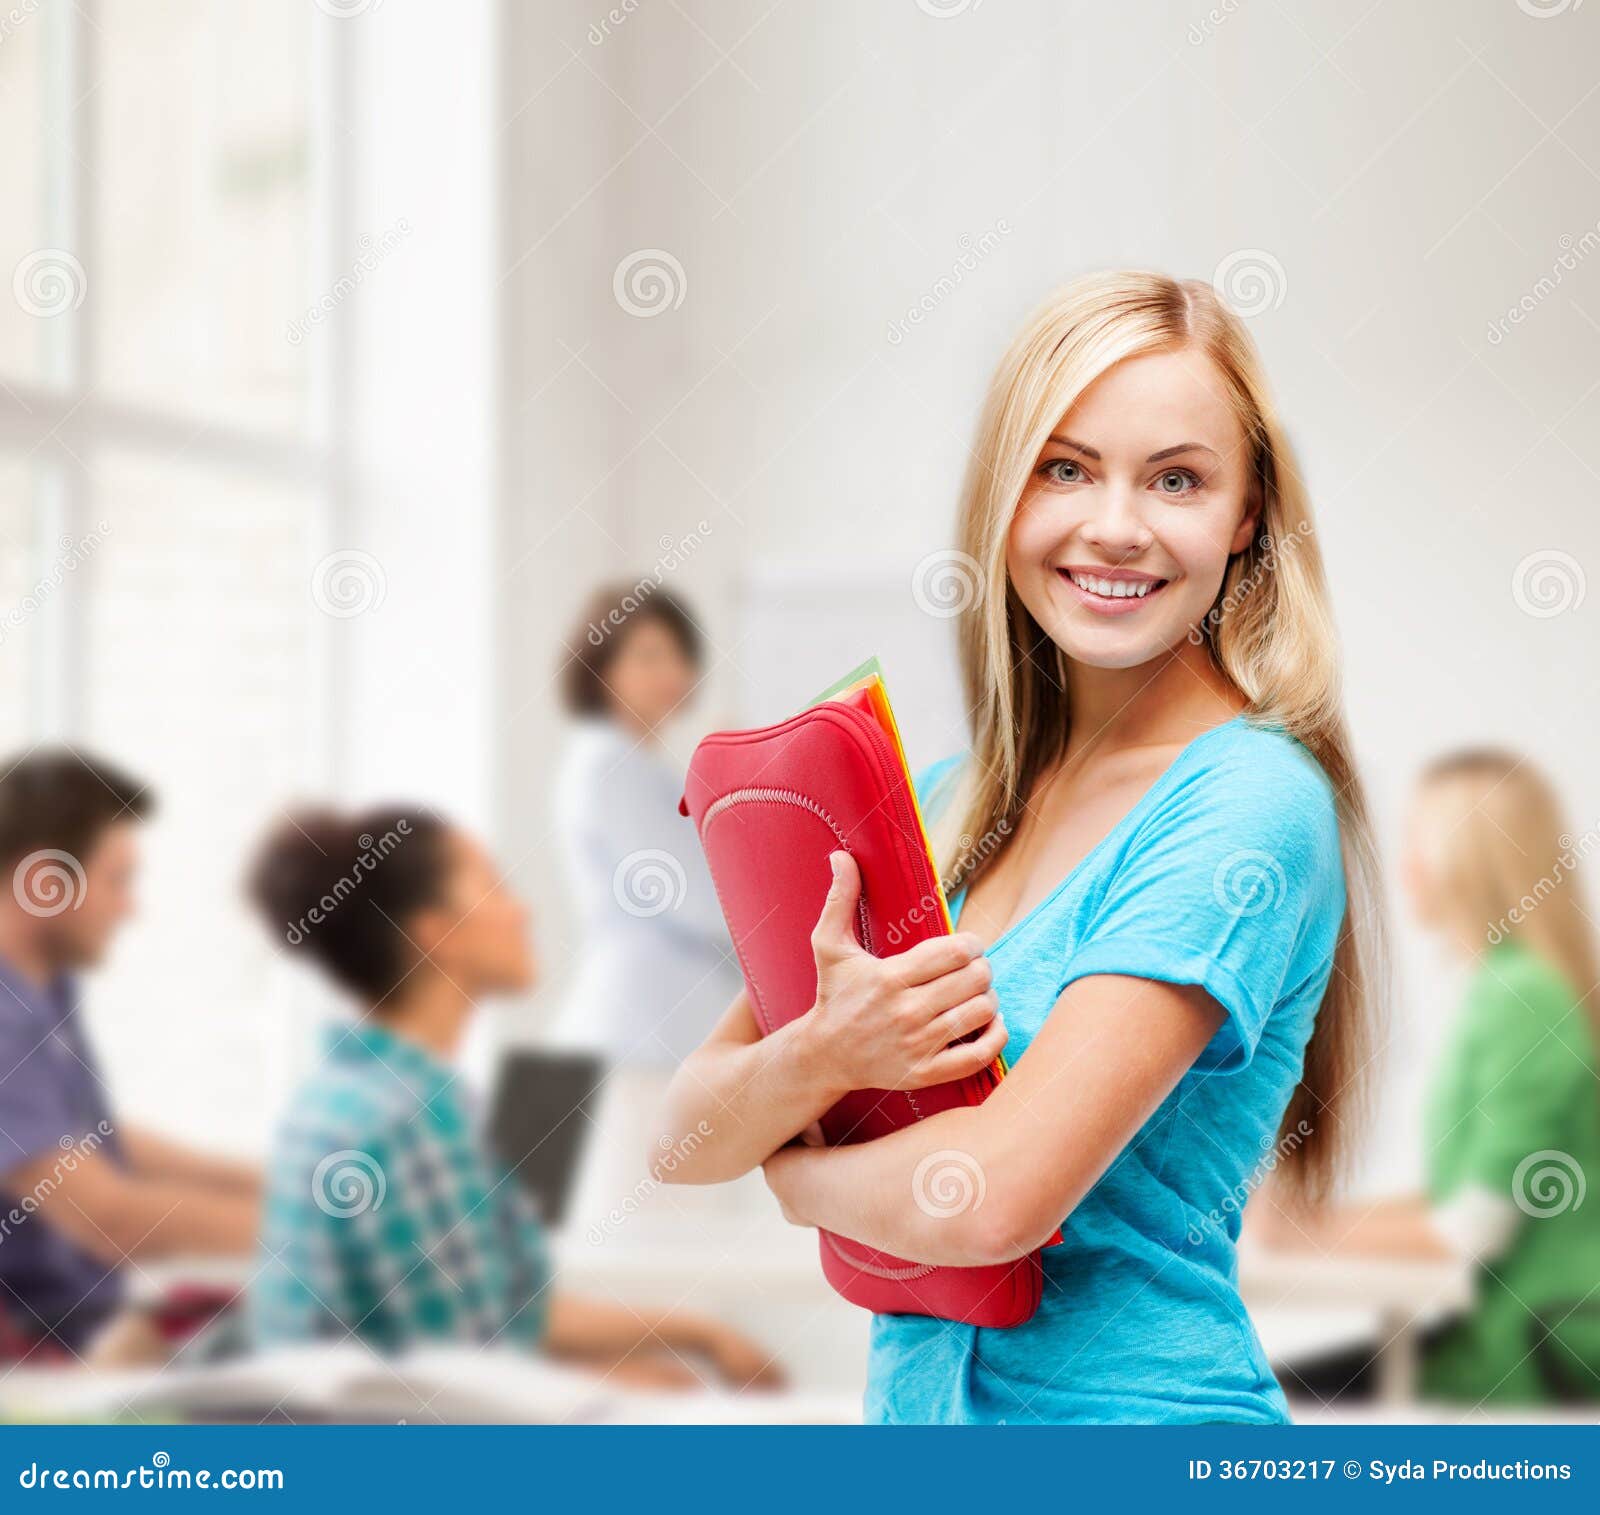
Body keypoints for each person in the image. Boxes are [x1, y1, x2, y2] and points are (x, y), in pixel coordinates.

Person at [655, 270, 1384, 1425]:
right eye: (1065, 467)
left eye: (1177, 479)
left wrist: (789, 1175)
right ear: (1003, 496)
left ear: (1246, 519)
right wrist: (819, 1055)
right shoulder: (942, 806)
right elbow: (682, 1139)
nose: (1114, 526)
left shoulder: (1246, 802)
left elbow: (995, 1198)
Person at [247, 804, 777, 1389]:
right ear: (434, 935)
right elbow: (467, 1380)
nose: (522, 909)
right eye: (494, 888)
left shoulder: (354, 1095)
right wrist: (653, 1385)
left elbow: (508, 1315)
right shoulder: (411, 1121)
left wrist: (698, 1334)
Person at [1262, 751, 1600, 1405]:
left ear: (1471, 862)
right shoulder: (1511, 989)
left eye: (1421, 841)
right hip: (1505, 1335)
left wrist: (1311, 1232)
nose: (1406, 868)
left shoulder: (1524, 1000)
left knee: (1261, 1408)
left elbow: (1475, 1227)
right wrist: (1316, 1221)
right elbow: (1464, 1196)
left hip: (1532, 1348)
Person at [0, 750, 260, 1359]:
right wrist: (324, 1229)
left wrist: (286, 1182)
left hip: (85, 1323)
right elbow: (108, 1218)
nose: (130, 909)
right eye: (117, 881)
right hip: (32, 1352)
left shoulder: (44, 988)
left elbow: (93, 1142)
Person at [550, 583, 740, 1067]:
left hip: (655, 1026)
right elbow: (695, 895)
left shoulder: (640, 764)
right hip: (639, 1032)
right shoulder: (608, 762)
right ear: (602, 667)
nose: (671, 673)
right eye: (649, 656)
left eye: (679, 655)